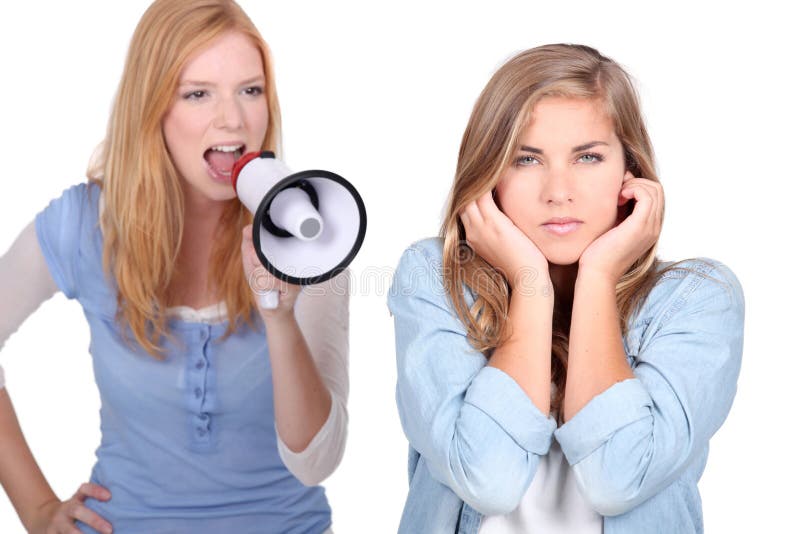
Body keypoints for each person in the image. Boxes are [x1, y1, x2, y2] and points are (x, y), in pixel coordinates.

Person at [0, 1, 348, 532]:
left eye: (250, 90)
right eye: (198, 93)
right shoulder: (83, 225)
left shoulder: (311, 226)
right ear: (153, 107)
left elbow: (315, 461)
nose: (232, 118)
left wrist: (279, 316)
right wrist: (36, 508)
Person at [388, 44, 745, 533]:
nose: (558, 191)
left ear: (630, 172)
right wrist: (530, 284)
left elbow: (617, 478)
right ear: (490, 177)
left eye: (588, 157)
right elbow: (487, 479)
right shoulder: (433, 276)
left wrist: (597, 277)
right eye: (527, 160)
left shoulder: (697, 299)